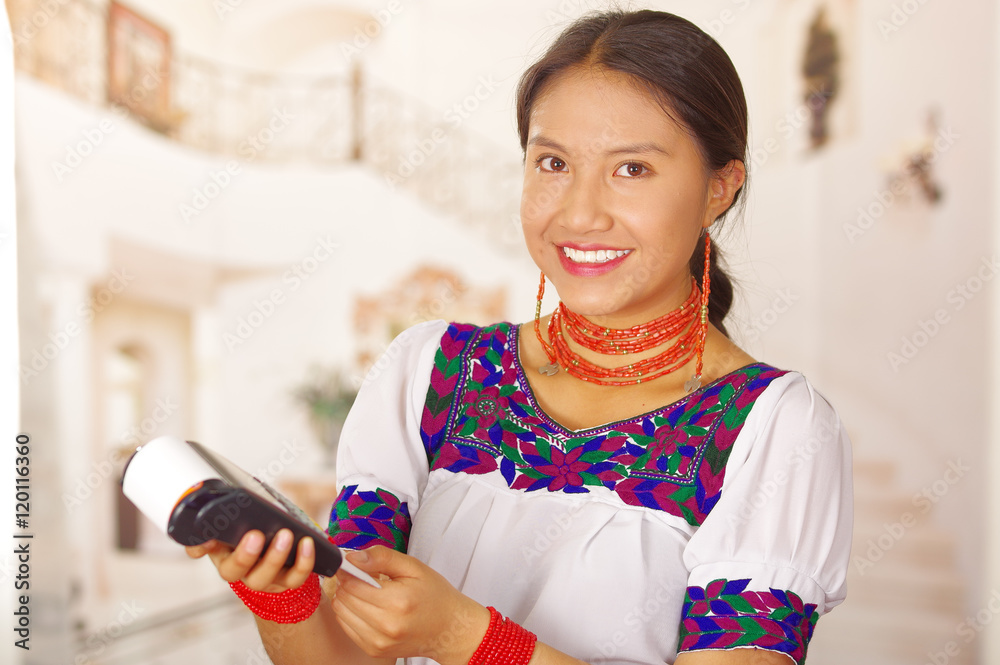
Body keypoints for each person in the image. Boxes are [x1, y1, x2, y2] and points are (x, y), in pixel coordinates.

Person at [187, 9, 852, 665]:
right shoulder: (431, 374)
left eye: (632, 169)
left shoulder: (772, 429)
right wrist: (277, 592)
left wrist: (467, 639)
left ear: (719, 187)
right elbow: (346, 658)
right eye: (553, 162)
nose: (580, 212)